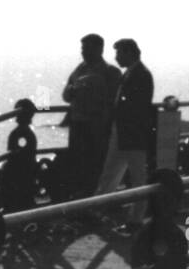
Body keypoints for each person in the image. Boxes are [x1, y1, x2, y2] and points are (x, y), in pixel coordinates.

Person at [95, 38, 154, 236]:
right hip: (125, 134)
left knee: (136, 180)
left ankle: (135, 221)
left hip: (132, 136)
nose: (116, 57)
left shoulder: (141, 75)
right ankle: (99, 211)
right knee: (110, 174)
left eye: (119, 53)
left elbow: (136, 107)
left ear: (129, 53)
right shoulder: (132, 73)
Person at [62, 34, 121, 195]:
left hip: (98, 127)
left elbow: (113, 102)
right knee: (78, 165)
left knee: (95, 166)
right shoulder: (79, 70)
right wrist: (73, 90)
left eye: (87, 48)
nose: (83, 52)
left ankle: (94, 202)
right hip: (78, 125)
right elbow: (66, 95)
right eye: (83, 48)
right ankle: (80, 200)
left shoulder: (111, 72)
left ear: (99, 49)